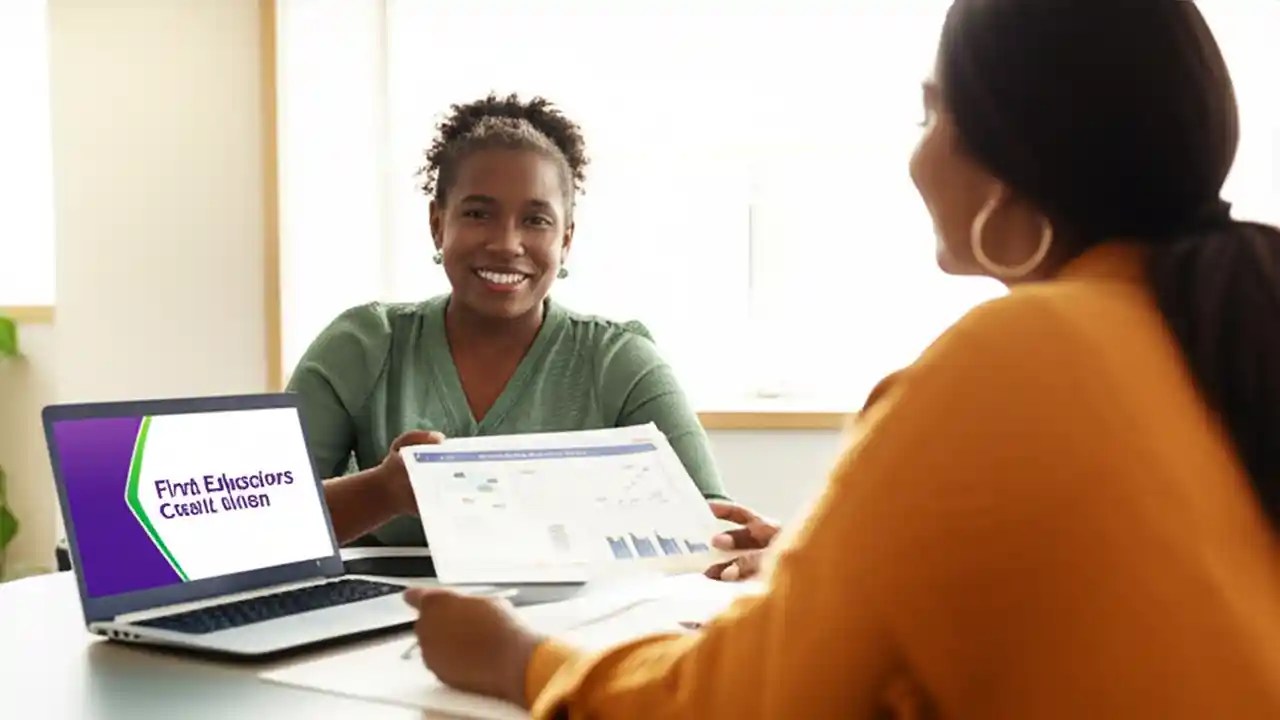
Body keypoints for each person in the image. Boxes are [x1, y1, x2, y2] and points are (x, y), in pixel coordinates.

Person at [399, 2, 1280, 716]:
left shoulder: (1015, 356)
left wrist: (516, 657)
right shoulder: (1233, 311)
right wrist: (828, 568)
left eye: (932, 114)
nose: (917, 155)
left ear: (1016, 147)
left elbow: (742, 702)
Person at [287, 93, 727, 547]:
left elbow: (714, 524)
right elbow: (264, 523)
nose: (506, 244)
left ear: (566, 240)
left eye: (536, 220)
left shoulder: (620, 362)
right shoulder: (363, 347)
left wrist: (746, 548)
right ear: (437, 224)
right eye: (478, 214)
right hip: (384, 596)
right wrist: (383, 492)